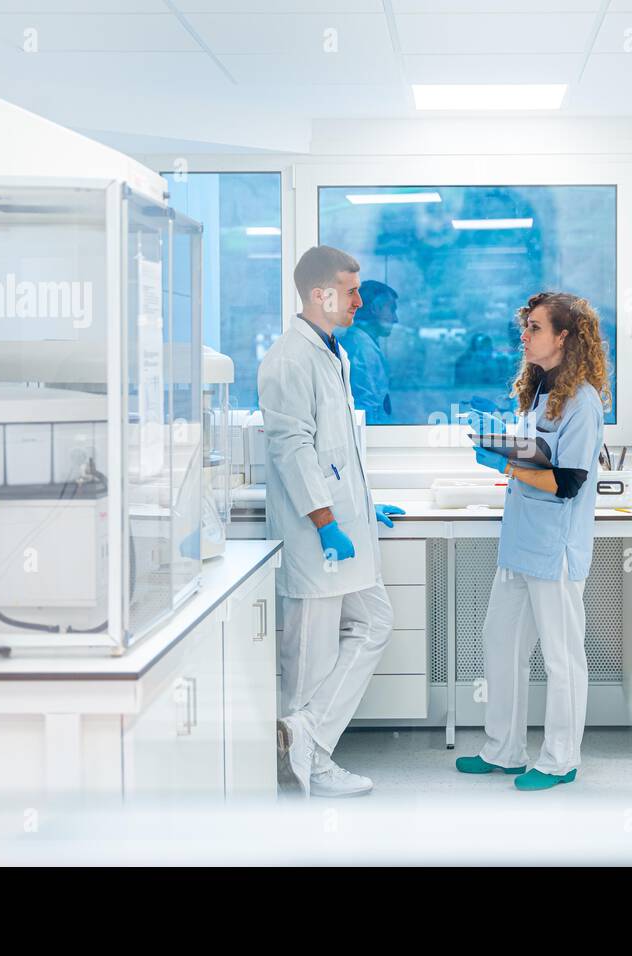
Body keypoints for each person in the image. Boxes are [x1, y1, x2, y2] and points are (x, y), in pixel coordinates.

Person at [258, 245, 406, 798]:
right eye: (350, 290)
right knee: (310, 657)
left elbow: (337, 450)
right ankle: (309, 769)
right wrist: (326, 522)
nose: (358, 301)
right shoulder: (287, 360)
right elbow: (293, 449)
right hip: (315, 533)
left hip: (343, 525)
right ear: (321, 294)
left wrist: (364, 509)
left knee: (374, 623)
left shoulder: (332, 353)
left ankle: (300, 736)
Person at [456, 292, 611, 791]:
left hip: (555, 549)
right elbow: (537, 456)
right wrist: (499, 443)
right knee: (501, 643)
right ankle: (504, 749)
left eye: (535, 328)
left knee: (562, 656)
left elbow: (567, 481)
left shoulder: (583, 402)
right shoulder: (540, 393)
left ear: (564, 337)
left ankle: (561, 759)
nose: (524, 336)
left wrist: (506, 463)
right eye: (525, 326)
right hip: (520, 544)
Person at [340, 279, 397, 424]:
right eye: (391, 309)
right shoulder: (361, 350)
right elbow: (366, 409)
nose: (395, 319)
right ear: (375, 308)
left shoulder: (363, 345)